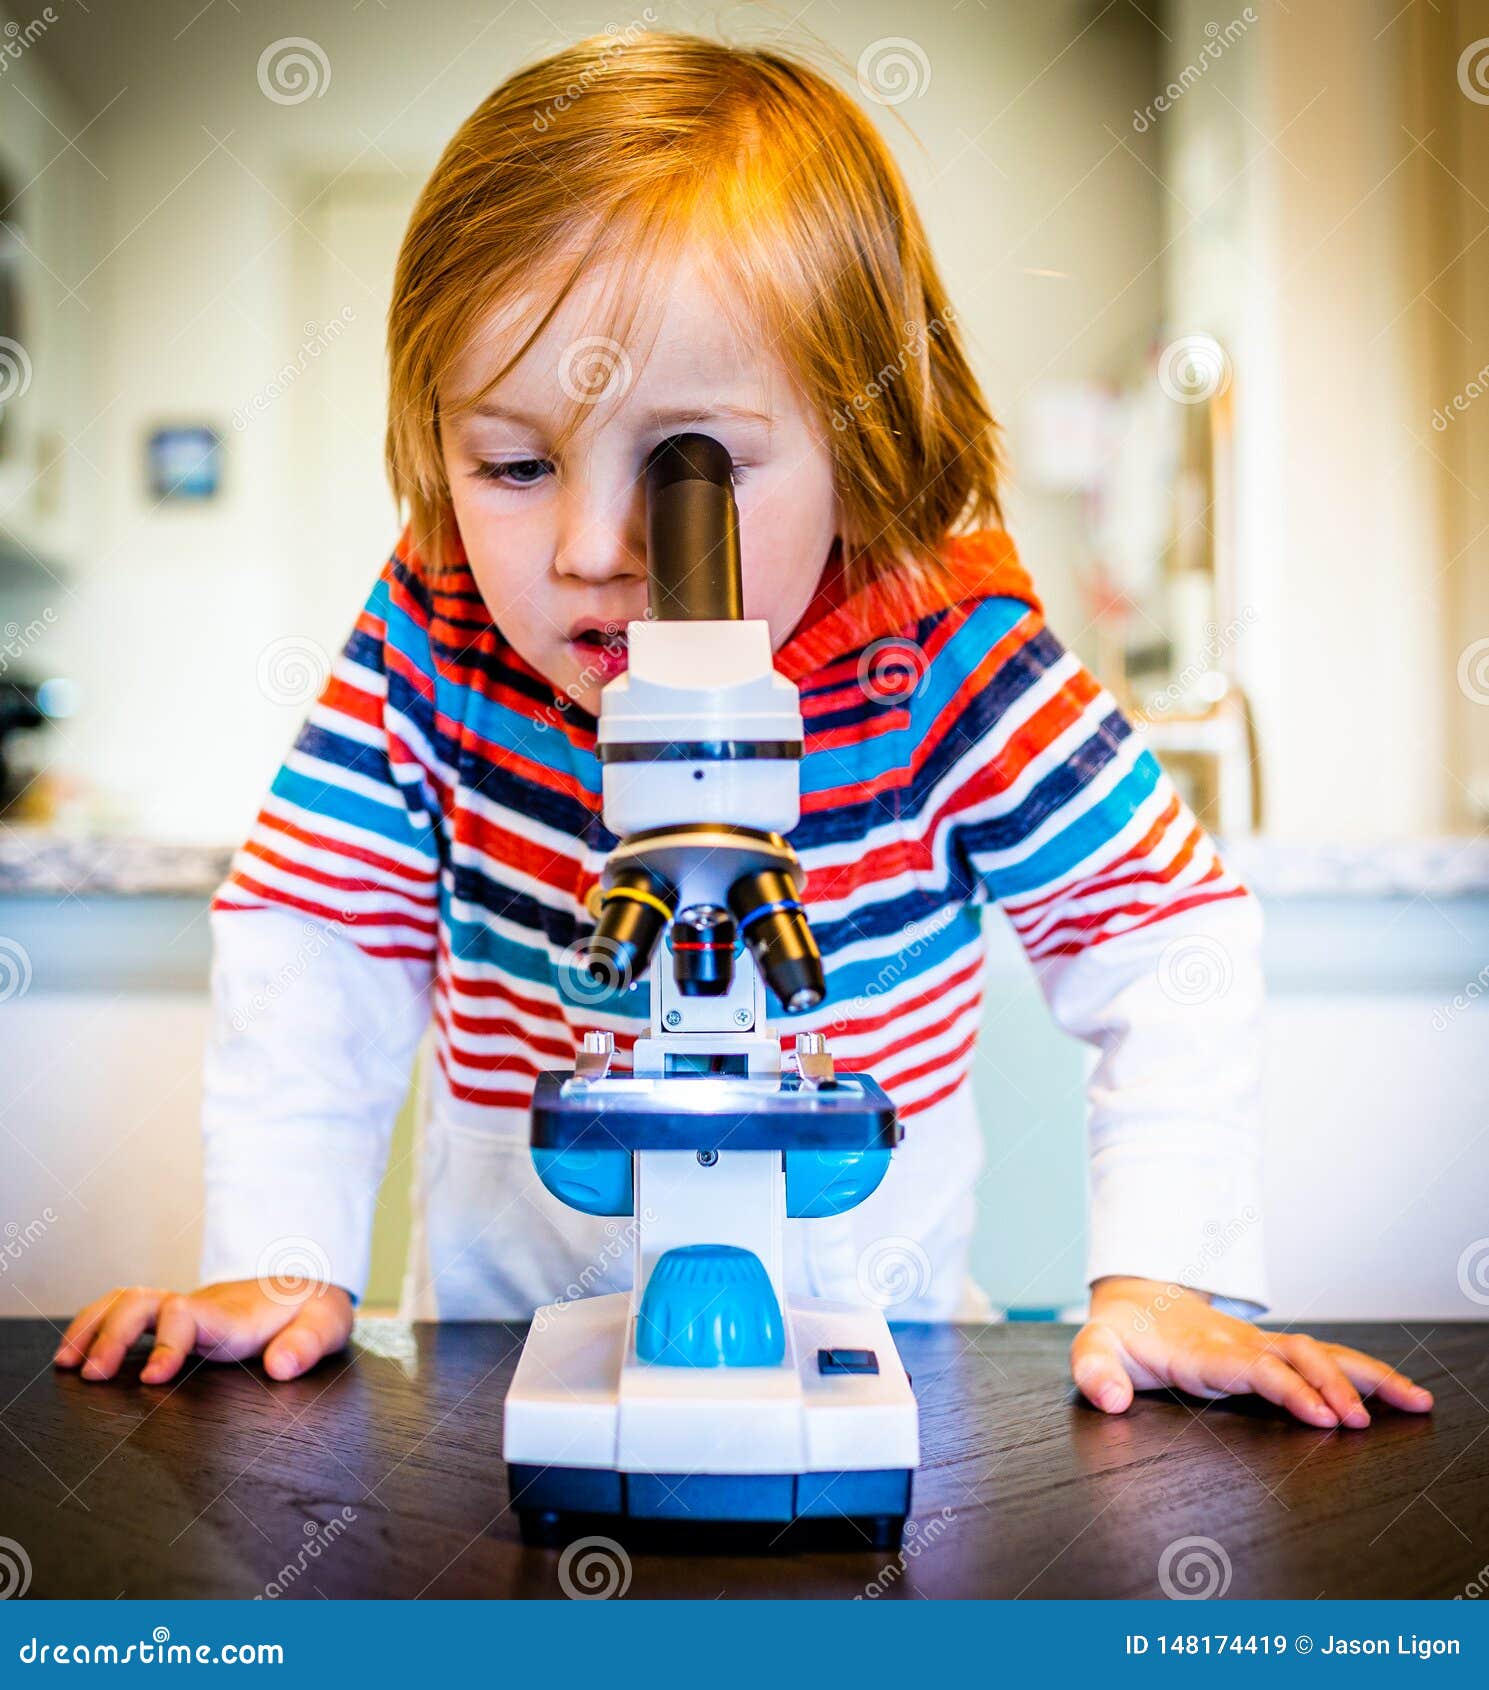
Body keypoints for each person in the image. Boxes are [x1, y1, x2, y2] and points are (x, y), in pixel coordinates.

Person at [57, 32, 1431, 1429]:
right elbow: (316, 934)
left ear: (860, 445)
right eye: (516, 464)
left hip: (882, 1351)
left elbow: (1163, 933)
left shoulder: (942, 647)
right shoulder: (440, 627)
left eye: (686, 471)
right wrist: (281, 1255)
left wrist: (1167, 1275)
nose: (592, 547)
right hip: (497, 1369)